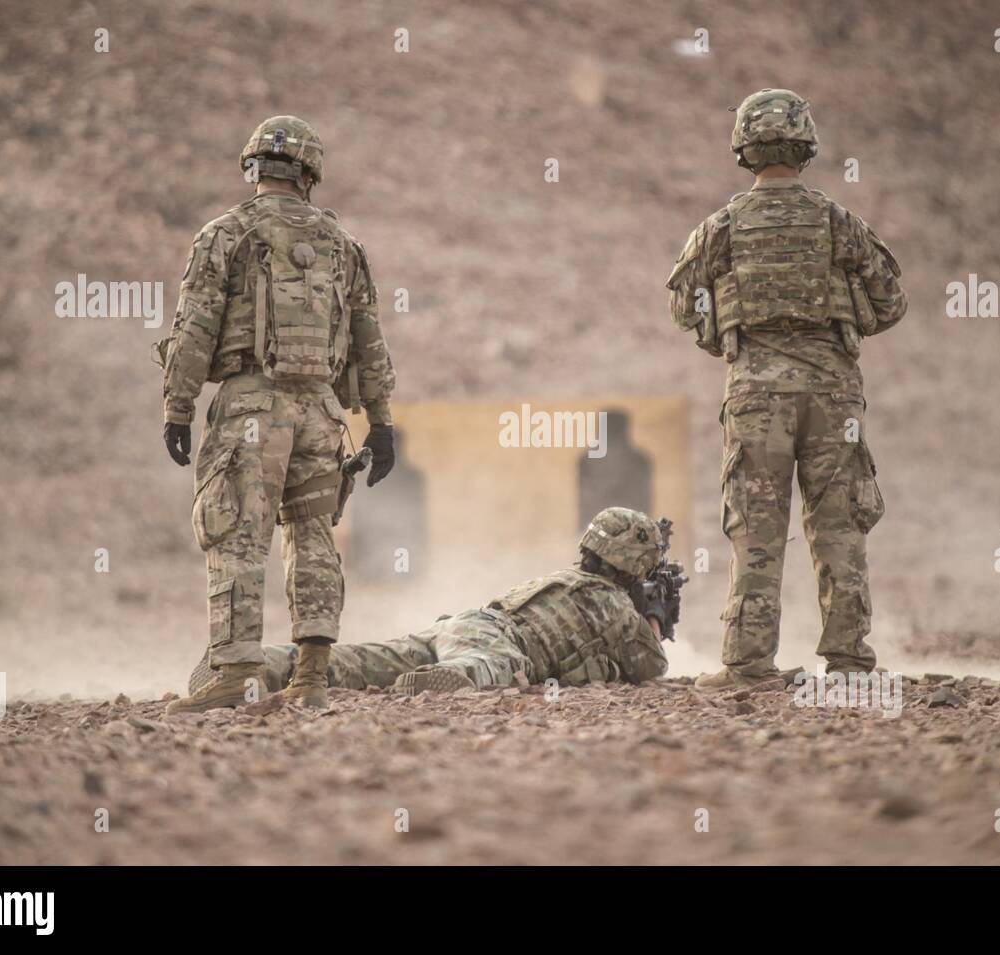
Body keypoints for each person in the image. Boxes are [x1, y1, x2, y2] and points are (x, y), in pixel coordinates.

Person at [666, 90, 907, 689]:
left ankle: (748, 666)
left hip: (755, 397)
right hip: (833, 395)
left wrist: (728, 337)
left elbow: (683, 304)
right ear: (806, 145)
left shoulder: (721, 227)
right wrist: (839, 325)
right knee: (840, 527)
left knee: (756, 529)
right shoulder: (837, 222)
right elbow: (890, 301)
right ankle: (850, 664)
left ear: (743, 148)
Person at [158, 116, 396, 715]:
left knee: (237, 531)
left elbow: (195, 329)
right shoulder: (344, 246)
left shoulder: (224, 233)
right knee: (313, 535)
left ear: (253, 169)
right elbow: (370, 340)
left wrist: (178, 407)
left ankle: (237, 671)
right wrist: (384, 423)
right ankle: (312, 676)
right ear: (310, 175)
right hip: (321, 410)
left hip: (251, 407)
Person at [186, 507, 672, 698]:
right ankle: (454, 679)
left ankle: (261, 664)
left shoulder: (567, 578)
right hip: (492, 640)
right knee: (490, 665)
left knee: (361, 661)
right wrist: (653, 614)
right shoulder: (613, 606)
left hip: (463, 622)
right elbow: (650, 667)